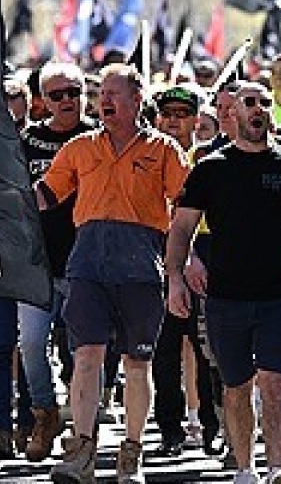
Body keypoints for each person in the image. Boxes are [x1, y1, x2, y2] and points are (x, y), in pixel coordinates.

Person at [35, 63, 189, 483]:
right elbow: (46, 196)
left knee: (137, 362)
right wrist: (3, 198)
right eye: (100, 93)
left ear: (138, 100)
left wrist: (182, 265)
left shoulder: (164, 150)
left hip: (141, 266)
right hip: (86, 264)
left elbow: (186, 208)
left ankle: (131, 454)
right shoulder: (80, 147)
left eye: (114, 93)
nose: (104, 100)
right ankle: (81, 451)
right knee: (85, 355)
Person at [166, 82, 281, 484]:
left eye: (265, 103)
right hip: (225, 299)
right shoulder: (211, 168)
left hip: (280, 298)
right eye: (249, 103)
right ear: (231, 113)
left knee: (275, 384)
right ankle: (245, 469)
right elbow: (181, 229)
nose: (259, 109)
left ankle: (278, 469)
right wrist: (176, 279)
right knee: (236, 387)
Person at [17, 61, 98, 462]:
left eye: (75, 92)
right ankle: (44, 413)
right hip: (37, 262)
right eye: (57, 94)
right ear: (42, 101)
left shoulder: (99, 138)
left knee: (85, 348)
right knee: (31, 343)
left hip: (88, 261)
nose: (68, 100)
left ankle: (84, 422)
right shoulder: (27, 140)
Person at [149, 83, 221, 459]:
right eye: (168, 114)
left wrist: (193, 256)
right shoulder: (149, 153)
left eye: (182, 114)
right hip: (156, 252)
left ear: (196, 119)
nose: (174, 122)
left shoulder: (209, 158)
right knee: (163, 351)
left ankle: (212, 426)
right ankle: (170, 429)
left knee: (206, 348)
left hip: (204, 253)